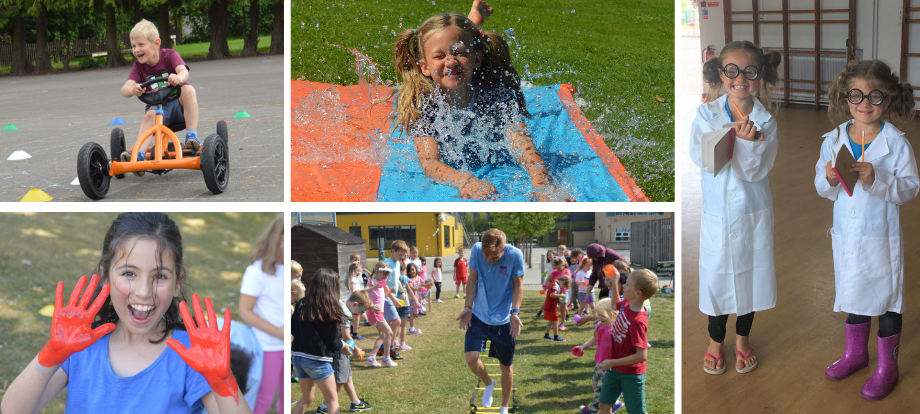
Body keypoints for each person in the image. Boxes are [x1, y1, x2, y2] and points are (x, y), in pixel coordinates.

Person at [1, 212, 251, 414]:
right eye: (129, 273)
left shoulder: (192, 355)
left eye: (160, 276)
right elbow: (12, 409)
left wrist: (222, 379)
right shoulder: (79, 344)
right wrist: (51, 354)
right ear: (105, 274)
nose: (143, 292)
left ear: (177, 283)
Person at [384, 6, 570, 201]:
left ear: (477, 59)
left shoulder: (495, 95)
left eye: (461, 53)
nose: (450, 62)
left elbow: (525, 147)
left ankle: (473, 24)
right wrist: (464, 180)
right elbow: (430, 163)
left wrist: (542, 185)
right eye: (439, 56)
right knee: (454, 36)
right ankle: (473, 24)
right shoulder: (424, 105)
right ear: (425, 67)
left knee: (456, 35)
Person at [815, 59, 918, 400]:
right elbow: (821, 186)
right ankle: (855, 355)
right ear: (844, 98)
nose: (864, 104)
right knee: (854, 293)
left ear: (887, 100)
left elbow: (909, 188)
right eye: (855, 95)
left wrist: (878, 179)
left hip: (880, 237)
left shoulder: (897, 143)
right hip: (847, 233)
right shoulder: (833, 139)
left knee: (887, 301)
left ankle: (888, 368)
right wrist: (828, 178)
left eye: (874, 96)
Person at [692, 41, 782, 376]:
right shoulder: (706, 114)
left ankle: (742, 340)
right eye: (732, 71)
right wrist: (734, 140)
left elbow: (754, 171)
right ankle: (716, 341)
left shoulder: (766, 121)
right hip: (718, 212)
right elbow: (704, 160)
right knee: (717, 279)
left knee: (751, 280)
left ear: (760, 76)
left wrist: (747, 143)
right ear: (720, 73)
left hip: (751, 211)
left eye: (749, 71)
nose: (740, 78)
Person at [119, 19, 200, 177]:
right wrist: (133, 89)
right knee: (148, 115)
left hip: (178, 109)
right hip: (157, 112)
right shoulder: (138, 67)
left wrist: (178, 78)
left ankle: (192, 136)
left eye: (141, 45)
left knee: (188, 90)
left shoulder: (170, 55)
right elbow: (124, 90)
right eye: (133, 46)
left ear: (156, 43)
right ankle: (139, 156)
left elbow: (184, 71)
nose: (136, 50)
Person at [457, 229, 524, 414]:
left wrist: (515, 312)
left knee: (506, 366)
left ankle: (503, 407)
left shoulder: (515, 255)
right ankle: (489, 383)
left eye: (494, 257)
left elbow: (518, 285)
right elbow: (472, 279)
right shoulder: (478, 250)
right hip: (479, 314)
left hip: (504, 319)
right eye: (486, 256)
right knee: (471, 359)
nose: (489, 260)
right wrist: (468, 307)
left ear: (503, 249)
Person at [291, 269, 355, 414]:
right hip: (316, 360)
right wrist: (344, 346)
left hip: (298, 357)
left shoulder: (301, 304)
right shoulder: (327, 308)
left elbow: (293, 329)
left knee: (307, 397)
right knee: (332, 400)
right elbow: (332, 341)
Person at [238, 215, 285, 414]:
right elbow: (245, 310)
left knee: (285, 402)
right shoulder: (257, 271)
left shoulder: (290, 270)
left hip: (289, 347)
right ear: (282, 239)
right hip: (267, 348)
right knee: (263, 401)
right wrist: (277, 331)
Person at [598, 269, 659, 414]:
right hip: (615, 370)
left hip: (632, 374)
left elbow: (641, 356)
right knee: (604, 405)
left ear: (638, 293)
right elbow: (614, 306)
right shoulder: (626, 303)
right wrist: (614, 282)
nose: (623, 286)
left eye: (627, 284)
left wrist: (612, 362)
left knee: (635, 412)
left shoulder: (638, 321)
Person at [306, 291, 375, 414]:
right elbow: (346, 336)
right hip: (339, 349)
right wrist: (355, 349)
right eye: (362, 310)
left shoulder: (341, 302)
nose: (361, 314)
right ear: (355, 304)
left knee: (347, 375)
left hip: (335, 346)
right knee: (339, 379)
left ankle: (356, 403)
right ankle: (324, 407)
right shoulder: (346, 313)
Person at [574, 298, 624, 414]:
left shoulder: (617, 329)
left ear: (614, 314)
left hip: (610, 365)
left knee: (600, 389)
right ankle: (615, 402)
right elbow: (596, 338)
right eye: (599, 315)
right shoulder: (600, 325)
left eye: (603, 315)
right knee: (595, 384)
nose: (600, 318)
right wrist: (583, 346)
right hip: (600, 361)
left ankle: (593, 410)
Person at [361, 262, 400, 368]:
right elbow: (363, 292)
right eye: (383, 274)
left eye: (386, 275)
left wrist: (390, 291)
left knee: (383, 335)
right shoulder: (373, 282)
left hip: (378, 312)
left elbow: (381, 296)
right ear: (377, 271)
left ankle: (372, 358)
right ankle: (386, 358)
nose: (385, 277)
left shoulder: (380, 282)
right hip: (375, 311)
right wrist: (373, 287)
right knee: (389, 333)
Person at [382, 241, 410, 356]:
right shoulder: (385, 264)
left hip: (392, 298)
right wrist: (393, 298)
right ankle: (390, 349)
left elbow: (397, 279)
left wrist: (402, 291)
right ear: (393, 251)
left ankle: (385, 348)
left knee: (390, 325)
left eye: (403, 255)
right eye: (400, 254)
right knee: (396, 322)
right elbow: (383, 283)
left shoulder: (398, 263)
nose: (402, 257)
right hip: (386, 298)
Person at [584, 243, 626, 308]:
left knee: (614, 310)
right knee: (601, 309)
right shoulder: (596, 260)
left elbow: (625, 266)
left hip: (615, 289)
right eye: (593, 258)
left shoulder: (610, 254)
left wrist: (616, 282)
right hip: (604, 289)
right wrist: (588, 292)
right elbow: (594, 276)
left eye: (595, 257)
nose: (594, 259)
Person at [543, 273, 571, 342]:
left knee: (552, 321)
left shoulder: (555, 284)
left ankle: (546, 335)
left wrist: (560, 294)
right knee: (556, 320)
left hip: (550, 306)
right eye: (563, 286)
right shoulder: (555, 285)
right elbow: (552, 295)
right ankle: (556, 337)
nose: (562, 288)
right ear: (563, 282)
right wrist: (561, 295)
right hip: (551, 306)